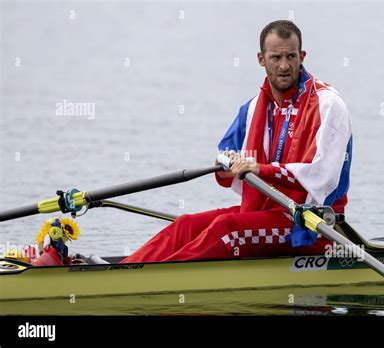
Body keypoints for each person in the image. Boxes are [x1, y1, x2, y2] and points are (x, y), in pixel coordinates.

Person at [120, 20, 352, 263]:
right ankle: (127, 269)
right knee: (185, 225)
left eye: (291, 56)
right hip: (266, 213)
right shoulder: (253, 109)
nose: (284, 66)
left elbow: (322, 176)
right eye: (275, 58)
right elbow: (225, 157)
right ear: (261, 59)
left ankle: (150, 280)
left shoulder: (328, 104)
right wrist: (227, 164)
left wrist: (260, 169)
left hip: (312, 225)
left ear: (302, 56)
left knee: (227, 229)